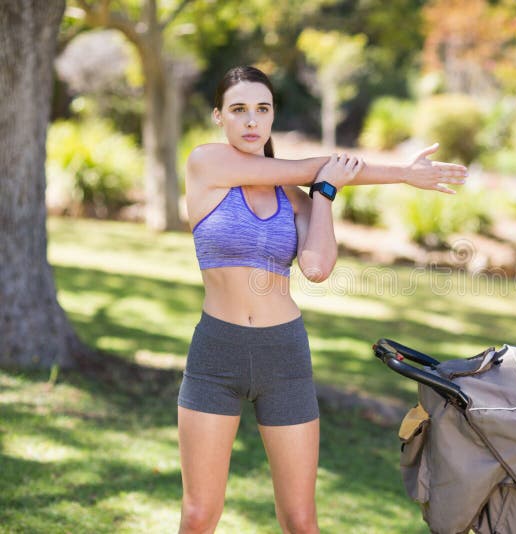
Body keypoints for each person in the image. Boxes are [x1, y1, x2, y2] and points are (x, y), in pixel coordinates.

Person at [177, 65, 468, 534]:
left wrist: (326, 196)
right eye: (239, 110)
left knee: (300, 519)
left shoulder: (293, 197)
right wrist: (402, 174)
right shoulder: (207, 163)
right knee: (198, 515)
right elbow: (307, 166)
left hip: (283, 355)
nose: (252, 121)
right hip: (217, 352)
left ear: (272, 118)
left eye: (262, 109)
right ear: (219, 116)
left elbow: (316, 267)